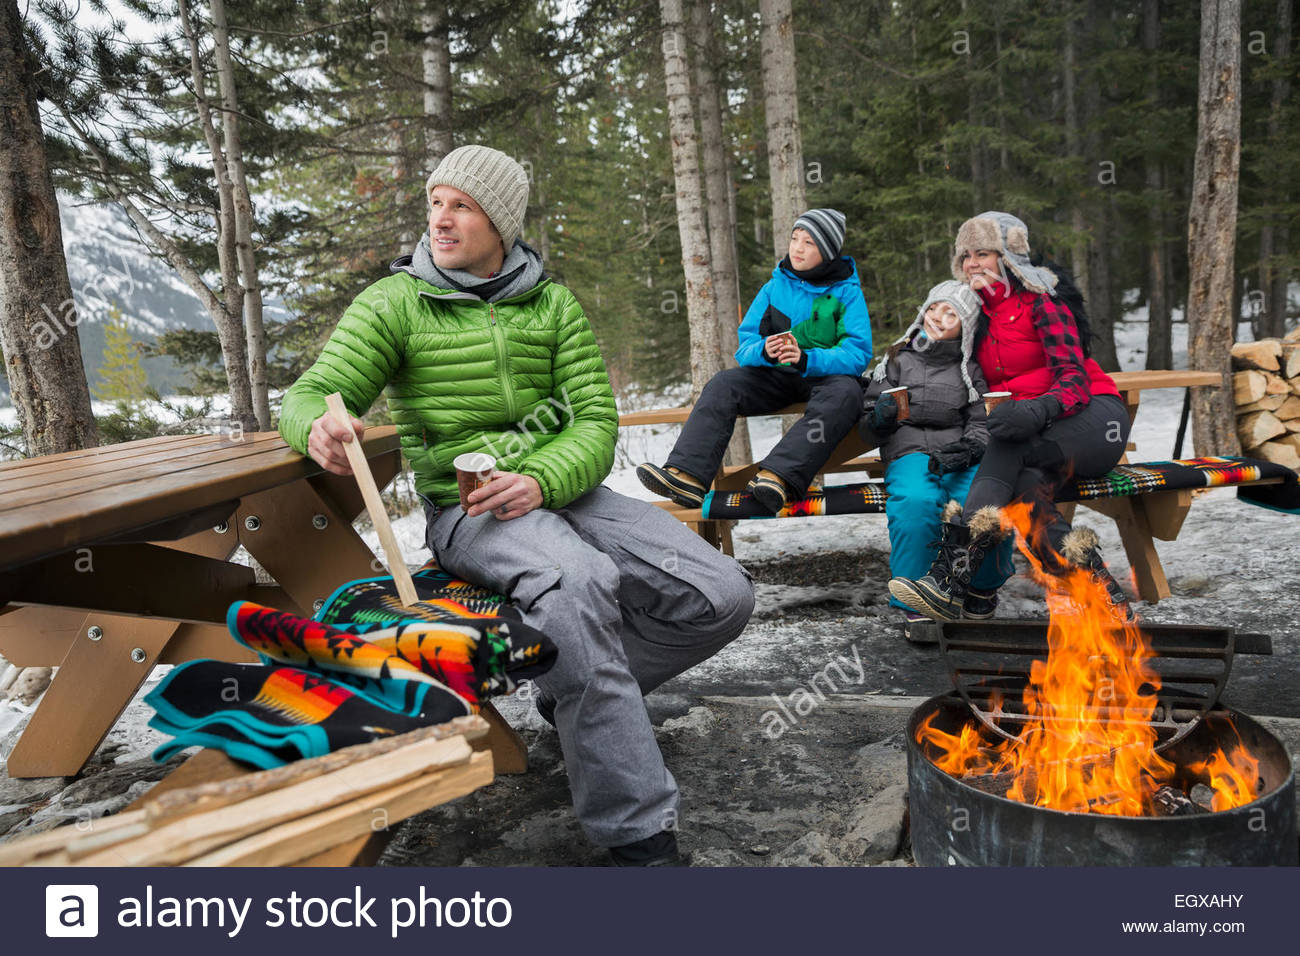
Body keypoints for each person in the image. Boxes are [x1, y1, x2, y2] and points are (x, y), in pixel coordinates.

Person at [279, 145, 755, 866]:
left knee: (723, 593)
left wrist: (542, 477)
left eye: (460, 206)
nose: (440, 219)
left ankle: (573, 688)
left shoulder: (553, 303)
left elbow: (593, 421)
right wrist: (316, 424)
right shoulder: (394, 302)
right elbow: (311, 392)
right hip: (468, 513)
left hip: (570, 490)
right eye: (435, 202)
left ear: (499, 221)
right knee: (578, 587)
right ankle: (637, 834)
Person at [889, 211, 1133, 622]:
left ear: (1008, 256)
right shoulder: (977, 318)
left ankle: (949, 580)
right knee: (1023, 494)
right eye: (965, 256)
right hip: (1036, 439)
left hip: (1093, 420)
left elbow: (1074, 379)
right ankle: (1099, 593)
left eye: (982, 252)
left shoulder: (1042, 300)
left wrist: (1038, 408)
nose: (972, 264)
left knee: (1005, 450)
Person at [637, 209, 872, 514]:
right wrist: (765, 350)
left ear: (827, 252)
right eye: (795, 238)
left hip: (826, 377)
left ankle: (778, 476)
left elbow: (857, 354)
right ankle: (688, 476)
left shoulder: (847, 293)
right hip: (777, 375)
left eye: (809, 243)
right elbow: (745, 345)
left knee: (847, 393)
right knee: (724, 383)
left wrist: (808, 358)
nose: (798, 248)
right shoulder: (774, 288)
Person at [859, 280, 1014, 636]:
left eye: (951, 313)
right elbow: (868, 427)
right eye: (933, 308)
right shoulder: (896, 359)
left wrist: (971, 448)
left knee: (980, 501)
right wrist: (879, 416)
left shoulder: (970, 367)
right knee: (917, 501)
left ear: (967, 325)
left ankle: (981, 586)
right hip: (909, 450)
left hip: (959, 450)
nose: (937, 318)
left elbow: (982, 420)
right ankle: (917, 599)